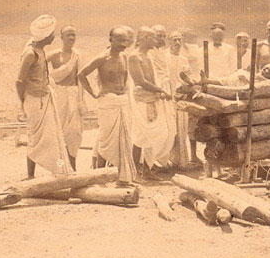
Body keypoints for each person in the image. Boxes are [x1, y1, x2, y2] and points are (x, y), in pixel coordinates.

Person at [16, 15, 72, 178]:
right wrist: (23, 103)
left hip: (44, 99)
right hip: (34, 101)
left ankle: (60, 169)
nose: (54, 37)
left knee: (53, 139)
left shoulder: (41, 51)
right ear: (46, 36)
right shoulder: (30, 54)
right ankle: (30, 175)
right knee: (34, 138)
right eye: (52, 34)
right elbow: (19, 81)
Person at [79, 26, 137, 184]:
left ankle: (122, 176)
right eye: (119, 40)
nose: (123, 44)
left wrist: (124, 94)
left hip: (121, 102)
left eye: (125, 40)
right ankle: (99, 177)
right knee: (105, 140)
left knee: (123, 140)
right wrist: (93, 93)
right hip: (108, 103)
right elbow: (81, 74)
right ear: (110, 40)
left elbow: (125, 78)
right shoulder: (102, 58)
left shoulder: (124, 57)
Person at [128, 27, 172, 177]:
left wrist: (159, 92)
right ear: (145, 38)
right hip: (141, 100)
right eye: (153, 38)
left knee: (154, 135)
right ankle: (135, 172)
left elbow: (152, 79)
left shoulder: (149, 57)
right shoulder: (134, 57)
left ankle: (147, 170)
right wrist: (161, 91)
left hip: (152, 98)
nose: (156, 41)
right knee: (140, 135)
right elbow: (140, 81)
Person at [47, 25, 86, 171]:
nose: (71, 38)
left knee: (75, 133)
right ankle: (60, 167)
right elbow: (38, 68)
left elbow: (80, 78)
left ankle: (73, 167)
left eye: (73, 35)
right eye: (68, 35)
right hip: (59, 97)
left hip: (74, 96)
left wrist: (82, 100)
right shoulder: (54, 55)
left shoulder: (78, 56)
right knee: (59, 133)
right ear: (61, 37)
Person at [166, 30, 194, 167]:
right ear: (169, 41)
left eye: (179, 40)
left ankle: (180, 161)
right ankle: (165, 161)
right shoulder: (164, 57)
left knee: (181, 129)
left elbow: (188, 80)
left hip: (180, 98)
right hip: (166, 97)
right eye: (174, 40)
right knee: (169, 129)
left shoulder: (184, 60)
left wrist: (186, 83)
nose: (177, 43)